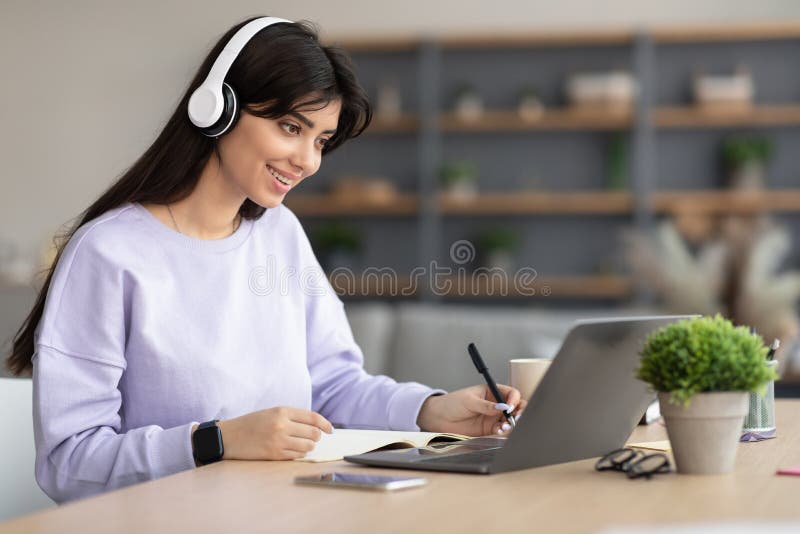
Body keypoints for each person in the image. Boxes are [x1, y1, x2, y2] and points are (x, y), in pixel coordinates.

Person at [5, 16, 525, 503]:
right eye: (290, 128)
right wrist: (217, 441)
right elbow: (68, 463)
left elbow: (335, 385)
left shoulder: (280, 234)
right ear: (218, 108)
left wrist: (433, 410)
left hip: (284, 509)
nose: (307, 161)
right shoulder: (109, 253)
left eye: (321, 140)